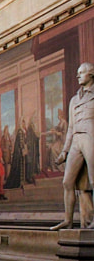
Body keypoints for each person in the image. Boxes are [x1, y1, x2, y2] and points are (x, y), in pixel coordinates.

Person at [52, 62, 94, 230]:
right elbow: (70, 128)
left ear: (91, 74)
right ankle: (68, 220)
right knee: (67, 181)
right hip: (76, 141)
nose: (78, 76)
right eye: (77, 73)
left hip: (91, 139)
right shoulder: (74, 100)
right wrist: (64, 151)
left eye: (81, 72)